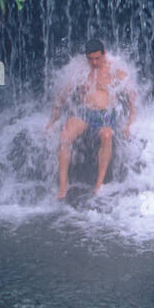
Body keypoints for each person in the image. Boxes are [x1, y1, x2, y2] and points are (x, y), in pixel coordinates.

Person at [47, 39, 137, 199]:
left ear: (104, 54)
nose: (94, 62)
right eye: (90, 59)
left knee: (107, 135)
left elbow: (132, 96)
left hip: (106, 116)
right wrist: (53, 120)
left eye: (97, 58)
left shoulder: (114, 70)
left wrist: (130, 123)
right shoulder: (80, 70)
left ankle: (98, 185)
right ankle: (62, 187)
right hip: (84, 114)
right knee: (64, 137)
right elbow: (62, 95)